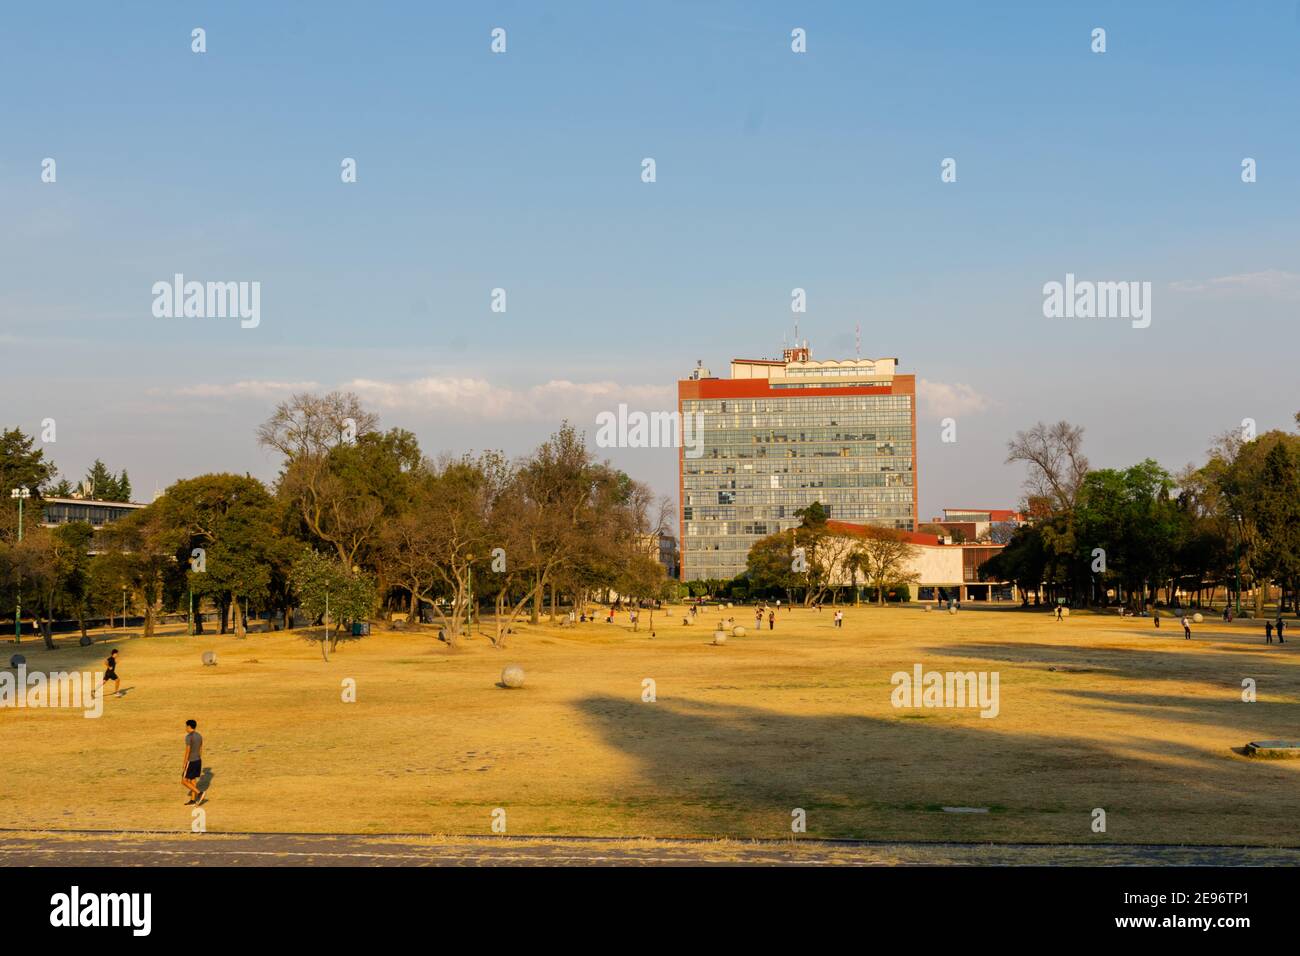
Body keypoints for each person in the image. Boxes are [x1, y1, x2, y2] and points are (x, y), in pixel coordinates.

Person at [182, 719, 206, 806]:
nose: (185, 728)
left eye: (186, 726)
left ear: (189, 726)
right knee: (192, 780)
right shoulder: (199, 736)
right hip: (198, 760)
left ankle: (200, 793)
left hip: (191, 761)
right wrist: (199, 757)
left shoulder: (188, 737)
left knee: (184, 781)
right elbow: (200, 748)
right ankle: (193, 800)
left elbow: (187, 751)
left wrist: (185, 762)